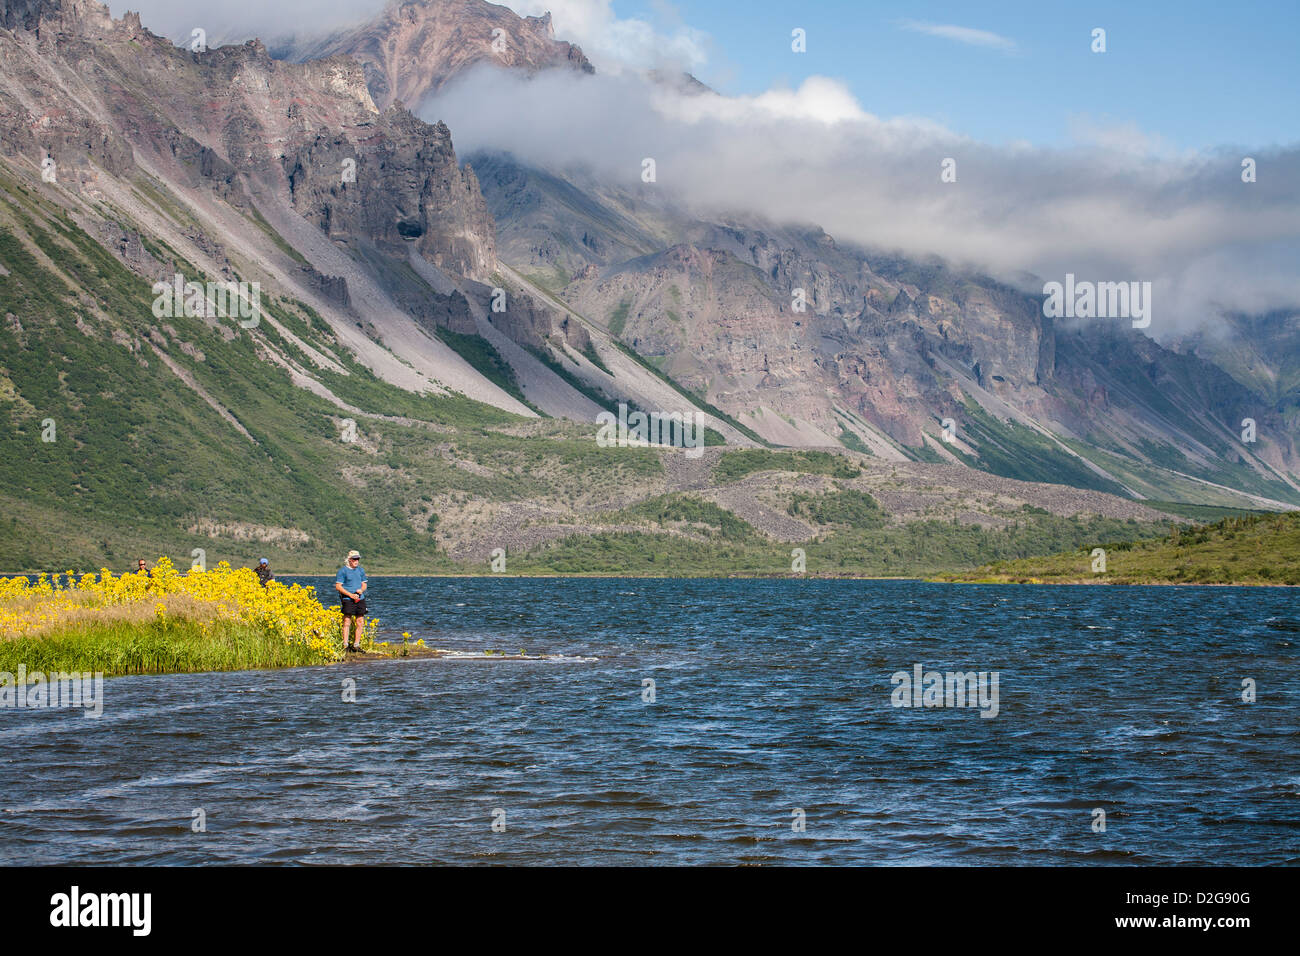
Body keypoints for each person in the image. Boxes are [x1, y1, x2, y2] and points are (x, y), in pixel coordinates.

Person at [335, 549, 367, 652]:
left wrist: (361, 590)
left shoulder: (361, 570)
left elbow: (364, 584)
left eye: (357, 559)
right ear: (349, 560)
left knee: (360, 621)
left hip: (360, 598)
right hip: (348, 599)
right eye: (354, 559)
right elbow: (338, 586)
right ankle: (345, 645)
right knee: (347, 620)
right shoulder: (342, 571)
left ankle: (356, 645)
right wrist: (350, 595)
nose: (356, 561)